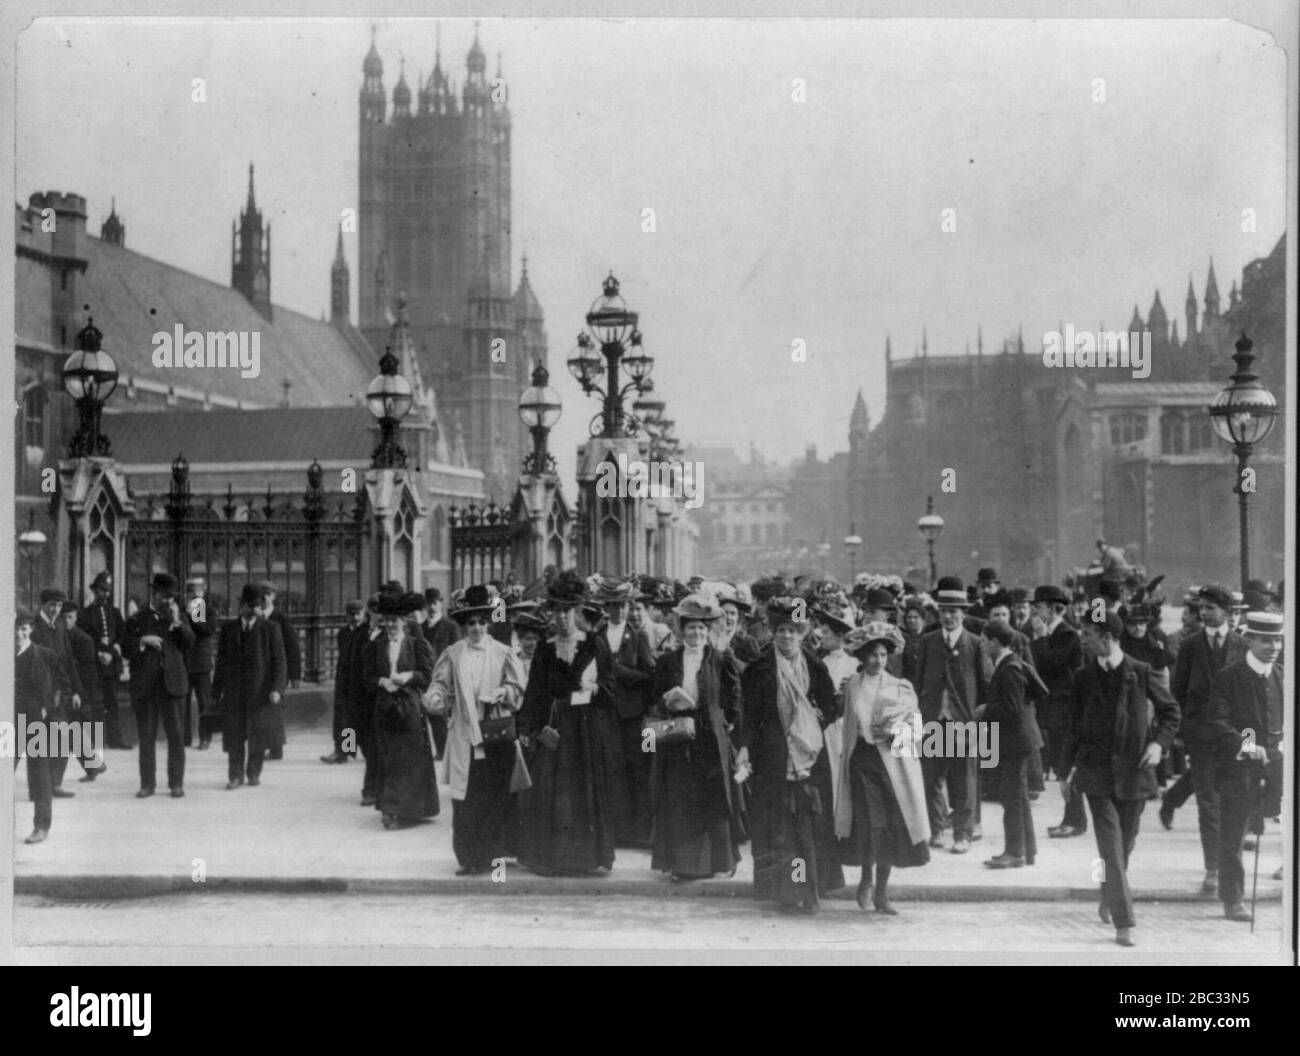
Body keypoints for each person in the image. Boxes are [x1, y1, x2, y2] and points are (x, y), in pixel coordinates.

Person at [1061, 612, 1180, 947]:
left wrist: (1158, 745)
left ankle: (1107, 892)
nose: (1082, 639)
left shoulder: (1140, 671)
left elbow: (1171, 712)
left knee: (1123, 847)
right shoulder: (1084, 677)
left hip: (1134, 773)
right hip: (1095, 774)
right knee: (1110, 847)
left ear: (1108, 637)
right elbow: (1073, 726)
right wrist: (1064, 771)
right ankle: (1124, 922)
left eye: (1088, 634)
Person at [739, 596, 844, 913]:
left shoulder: (814, 665)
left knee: (808, 825)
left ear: (802, 634)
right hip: (771, 756)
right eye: (782, 630)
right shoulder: (759, 669)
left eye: (793, 631)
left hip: (809, 757)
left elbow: (829, 707)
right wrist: (744, 747)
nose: (787, 636)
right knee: (779, 826)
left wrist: (817, 715)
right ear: (773, 631)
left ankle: (810, 891)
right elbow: (748, 715)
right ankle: (785, 892)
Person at [516, 571, 620, 876]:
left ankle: (584, 858)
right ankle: (553, 859)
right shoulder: (545, 650)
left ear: (577, 611)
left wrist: (596, 689)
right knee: (551, 791)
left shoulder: (594, 645)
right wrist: (528, 730)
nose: (561, 617)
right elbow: (534, 693)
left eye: (567, 611)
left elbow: (611, 687)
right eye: (556, 611)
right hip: (554, 730)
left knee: (582, 791)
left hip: (586, 731)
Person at [427, 585, 525, 872]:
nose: (477, 628)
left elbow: (517, 686)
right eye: (471, 623)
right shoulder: (453, 654)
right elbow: (440, 684)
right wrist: (435, 696)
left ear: (489, 622)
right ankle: (469, 859)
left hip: (494, 734)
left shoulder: (502, 652)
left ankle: (493, 857)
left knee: (492, 797)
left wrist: (504, 693)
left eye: (482, 622)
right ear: (464, 625)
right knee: (465, 800)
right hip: (464, 735)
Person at [647, 593, 743, 881]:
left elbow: (734, 695)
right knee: (681, 799)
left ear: (708, 631)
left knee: (712, 798)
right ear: (682, 630)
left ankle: (717, 861)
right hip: (679, 736)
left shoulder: (720, 658)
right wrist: (669, 702)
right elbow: (654, 695)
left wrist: (727, 722)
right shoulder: (669, 661)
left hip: (710, 738)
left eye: (702, 628)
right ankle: (686, 865)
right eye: (691, 628)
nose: (697, 633)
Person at [836, 622, 930, 913]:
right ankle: (865, 880)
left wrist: (895, 732)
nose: (878, 661)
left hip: (891, 765)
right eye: (873, 655)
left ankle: (882, 892)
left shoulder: (900, 688)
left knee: (889, 826)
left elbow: (916, 730)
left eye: (883, 655)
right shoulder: (852, 685)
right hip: (861, 761)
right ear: (863, 657)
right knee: (868, 825)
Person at [1205, 612, 1284, 922]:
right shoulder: (1229, 677)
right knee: (1233, 835)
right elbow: (1217, 722)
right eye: (1266, 640)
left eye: (1277, 640)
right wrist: (1248, 747)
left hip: (1279, 767)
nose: (1273, 646)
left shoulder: (1283, 675)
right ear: (1251, 640)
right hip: (1239, 769)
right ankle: (1233, 898)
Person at [1168, 583, 1247, 893]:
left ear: (1226, 612)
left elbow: (1251, 698)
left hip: (1234, 739)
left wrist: (1249, 741)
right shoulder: (1190, 646)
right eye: (1201, 608)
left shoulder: (1243, 645)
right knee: (1207, 804)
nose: (1203, 614)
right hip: (1200, 737)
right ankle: (1212, 868)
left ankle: (1229, 868)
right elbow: (1179, 691)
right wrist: (1180, 732)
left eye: (1210, 608)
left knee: (1234, 803)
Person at [913, 578, 983, 853]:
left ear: (963, 613)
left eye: (955, 611)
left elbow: (984, 685)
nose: (949, 616)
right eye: (944, 610)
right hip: (933, 720)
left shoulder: (975, 644)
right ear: (938, 612)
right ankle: (937, 829)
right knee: (930, 777)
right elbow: (918, 683)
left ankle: (963, 834)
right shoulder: (928, 641)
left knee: (965, 779)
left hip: (964, 722)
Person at [363, 591, 439, 830]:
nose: (390, 626)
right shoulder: (376, 646)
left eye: (394, 621)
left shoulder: (417, 645)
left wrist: (408, 676)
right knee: (388, 759)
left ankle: (411, 809)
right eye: (386, 621)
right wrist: (381, 682)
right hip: (385, 709)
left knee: (410, 760)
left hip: (410, 709)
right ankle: (390, 809)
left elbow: (428, 676)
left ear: (404, 622)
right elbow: (366, 677)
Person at [122, 573, 195, 798]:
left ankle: (176, 784)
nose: (168, 601)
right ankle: (147, 784)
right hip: (146, 686)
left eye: (171, 597)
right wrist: (143, 641)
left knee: (176, 737)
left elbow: (190, 642)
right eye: (164, 596)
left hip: (173, 685)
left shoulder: (179, 617)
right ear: (153, 594)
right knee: (146, 737)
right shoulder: (137, 618)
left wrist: (177, 622)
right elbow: (125, 648)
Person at [978, 622, 1042, 868]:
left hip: (1016, 742)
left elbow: (1013, 709)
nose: (982, 645)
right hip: (1019, 741)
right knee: (1019, 797)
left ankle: (1014, 852)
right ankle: (1027, 850)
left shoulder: (1009, 668)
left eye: (985, 641)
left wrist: (986, 710)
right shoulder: (1011, 663)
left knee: (1012, 798)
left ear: (995, 642)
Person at [598, 578, 656, 848]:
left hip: (633, 717)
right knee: (610, 771)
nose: (620, 611)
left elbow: (649, 675)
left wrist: (622, 673)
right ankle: (613, 832)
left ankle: (638, 832)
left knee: (637, 770)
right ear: (606, 608)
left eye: (623, 606)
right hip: (605, 714)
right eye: (614, 606)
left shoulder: (638, 636)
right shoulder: (597, 636)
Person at [211, 584, 287, 789]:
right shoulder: (228, 629)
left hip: (260, 693)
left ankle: (253, 772)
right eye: (250, 606)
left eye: (257, 605)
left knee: (258, 736)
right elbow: (221, 662)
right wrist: (215, 692)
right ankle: (235, 776)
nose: (255, 610)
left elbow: (279, 662)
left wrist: (277, 690)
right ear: (241, 606)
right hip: (234, 693)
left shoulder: (271, 629)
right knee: (234, 737)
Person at [1031, 585, 1086, 839]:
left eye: (1039, 606)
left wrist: (1041, 638)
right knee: (1059, 761)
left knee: (1066, 763)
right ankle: (1071, 818)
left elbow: (1050, 664)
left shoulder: (1067, 635)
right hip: (1052, 708)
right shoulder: (1055, 633)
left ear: (1052, 609)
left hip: (1064, 709)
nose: (1035, 611)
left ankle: (1075, 820)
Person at [32, 588, 85, 796]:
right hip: (40, 693)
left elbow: (68, 661)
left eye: (59, 605)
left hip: (60, 693)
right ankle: (38, 789)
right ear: (42, 604)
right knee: (37, 742)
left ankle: (54, 784)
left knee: (63, 737)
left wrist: (75, 691)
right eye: (51, 604)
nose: (55, 609)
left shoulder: (61, 627)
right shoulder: (34, 628)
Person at [15, 609, 58, 843]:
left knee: (40, 775)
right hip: (8, 724)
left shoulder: (43, 655)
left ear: (30, 629)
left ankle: (41, 827)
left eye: (23, 629)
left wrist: (46, 708)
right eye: (14, 629)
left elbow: (58, 684)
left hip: (34, 722)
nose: (18, 634)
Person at [78, 571, 129, 749]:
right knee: (96, 703)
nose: (105, 594)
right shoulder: (85, 614)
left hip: (112, 665)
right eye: (102, 590)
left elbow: (123, 636)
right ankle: (96, 742)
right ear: (94, 590)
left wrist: (112, 653)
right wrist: (99, 654)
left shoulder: (114, 612)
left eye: (108, 591)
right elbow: (84, 639)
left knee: (112, 702)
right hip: (96, 665)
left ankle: (116, 740)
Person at [59, 601, 107, 782]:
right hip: (68, 690)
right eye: (63, 618)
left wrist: (79, 694)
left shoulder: (83, 640)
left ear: (76, 618)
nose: (66, 621)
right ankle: (94, 765)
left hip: (79, 692)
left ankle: (94, 765)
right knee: (72, 731)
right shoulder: (60, 636)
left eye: (70, 617)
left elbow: (88, 673)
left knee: (70, 731)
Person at [350, 595, 386, 806]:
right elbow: (348, 668)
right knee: (364, 744)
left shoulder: (389, 635)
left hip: (380, 699)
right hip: (360, 701)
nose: (379, 616)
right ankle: (345, 750)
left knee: (376, 748)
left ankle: (371, 789)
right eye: (376, 611)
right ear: (369, 612)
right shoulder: (359, 634)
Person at [323, 600, 367, 764]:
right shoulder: (343, 633)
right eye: (351, 614)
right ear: (346, 616)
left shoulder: (367, 632)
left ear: (363, 614)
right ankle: (344, 751)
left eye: (358, 614)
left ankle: (368, 750)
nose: (355, 617)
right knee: (343, 717)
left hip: (362, 681)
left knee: (361, 717)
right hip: (345, 681)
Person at [258, 583, 299, 759]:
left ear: (273, 596)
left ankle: (276, 749)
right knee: (263, 709)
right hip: (260, 672)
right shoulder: (256, 617)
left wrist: (296, 675)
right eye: (261, 595)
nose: (264, 598)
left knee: (274, 708)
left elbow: (292, 647)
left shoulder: (280, 618)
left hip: (278, 670)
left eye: (267, 594)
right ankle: (267, 745)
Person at [182, 577, 217, 750]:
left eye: (199, 592)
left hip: (201, 664)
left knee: (205, 702)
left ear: (204, 593)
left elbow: (207, 631)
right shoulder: (181, 610)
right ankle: (185, 738)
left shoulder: (208, 611)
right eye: (192, 592)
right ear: (187, 593)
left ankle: (205, 738)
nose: (196, 595)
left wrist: (192, 615)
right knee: (183, 702)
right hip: (184, 663)